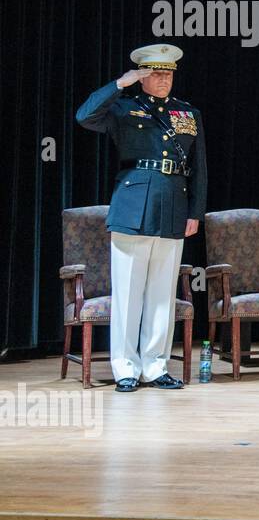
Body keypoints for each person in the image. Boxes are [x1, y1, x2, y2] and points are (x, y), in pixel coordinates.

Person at [75, 43, 206, 393]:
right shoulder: (122, 108)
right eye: (157, 74)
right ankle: (125, 368)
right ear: (143, 76)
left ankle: (155, 365)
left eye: (169, 74)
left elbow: (200, 169)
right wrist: (120, 83)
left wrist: (195, 212)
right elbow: (84, 116)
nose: (164, 80)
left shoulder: (188, 113)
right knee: (129, 292)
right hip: (133, 204)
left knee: (162, 293)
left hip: (173, 206)